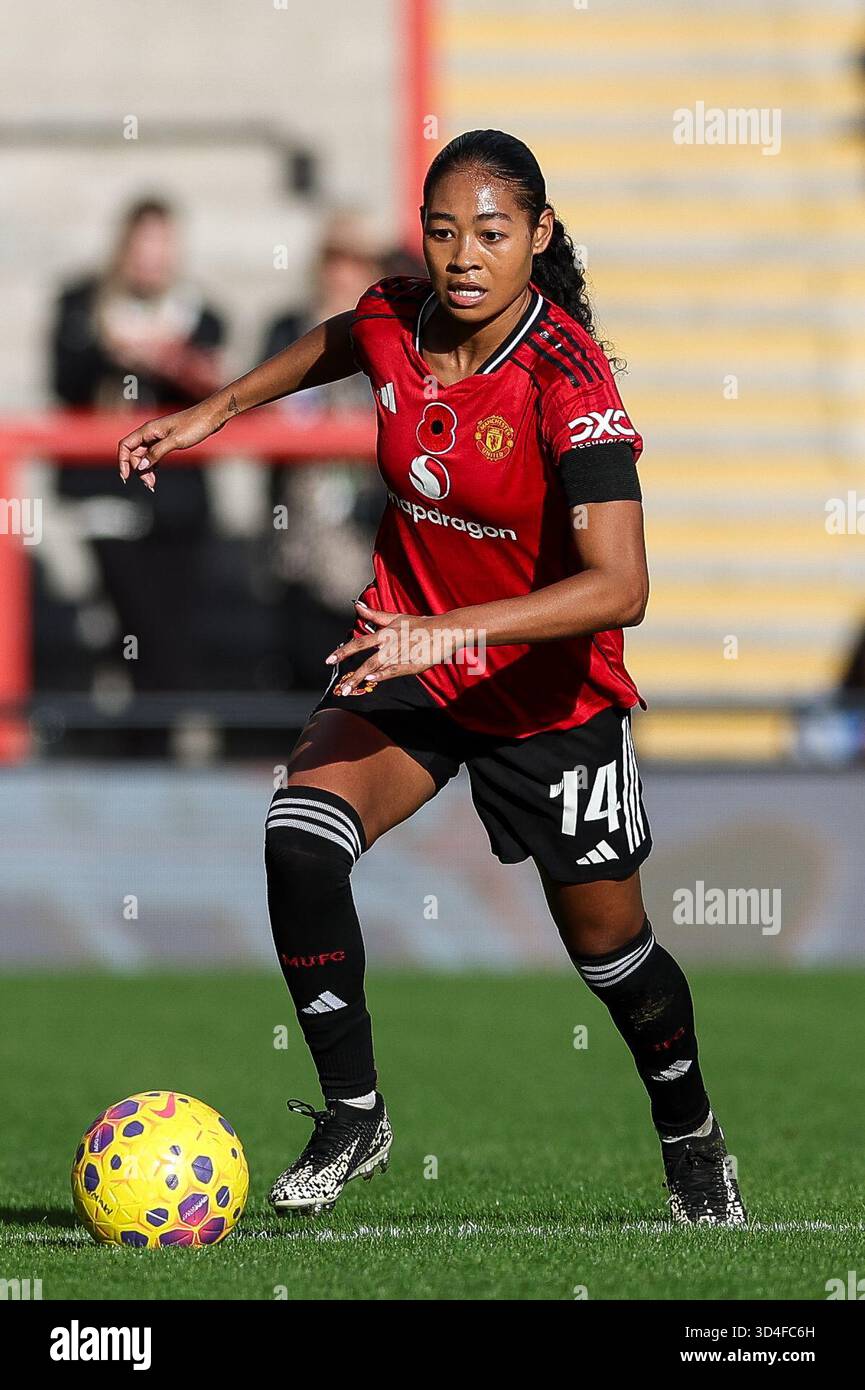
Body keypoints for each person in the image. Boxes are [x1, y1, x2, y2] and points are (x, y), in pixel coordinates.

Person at [118, 130, 747, 1227]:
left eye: (492, 234)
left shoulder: (568, 380)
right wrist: (211, 412)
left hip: (552, 699)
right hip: (412, 663)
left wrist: (451, 631)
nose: (463, 256)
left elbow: (621, 588)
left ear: (538, 237)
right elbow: (333, 341)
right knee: (298, 839)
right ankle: (353, 1110)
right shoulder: (394, 317)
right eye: (445, 230)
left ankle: (691, 1135)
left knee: (615, 958)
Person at [52, 197, 225, 694]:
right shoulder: (84, 308)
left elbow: (218, 392)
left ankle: (157, 733)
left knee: (169, 625)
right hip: (108, 491)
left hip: (177, 497)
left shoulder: (202, 316)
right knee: (136, 619)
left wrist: (175, 361)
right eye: (141, 245)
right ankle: (145, 731)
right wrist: (112, 350)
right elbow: (64, 382)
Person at [259, 212, 386, 684]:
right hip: (301, 517)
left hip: (367, 522)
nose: (342, 272)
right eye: (335, 258)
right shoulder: (288, 328)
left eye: (357, 260)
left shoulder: (394, 337)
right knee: (302, 661)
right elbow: (261, 408)